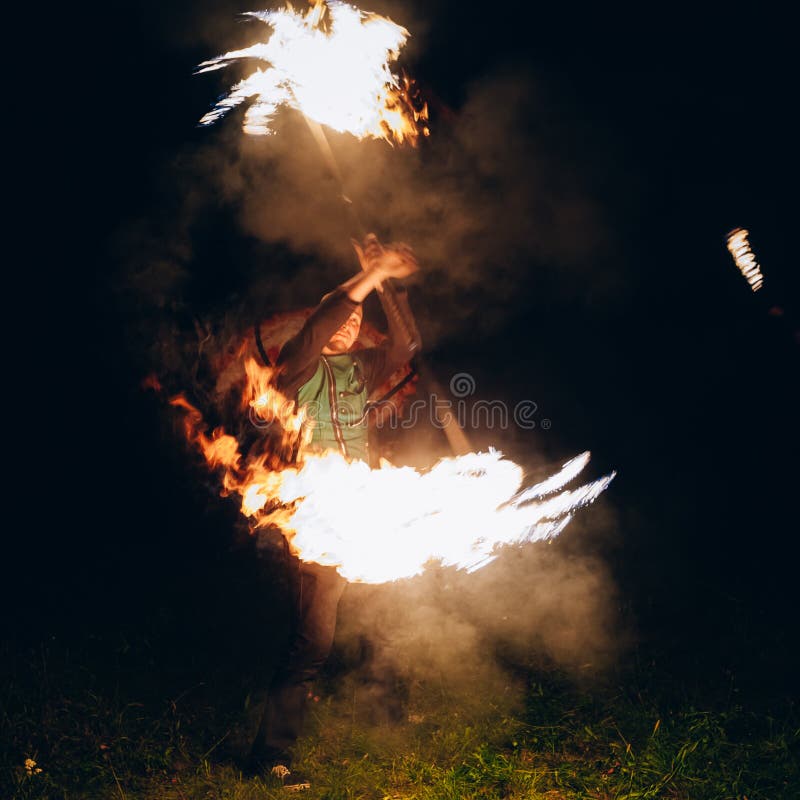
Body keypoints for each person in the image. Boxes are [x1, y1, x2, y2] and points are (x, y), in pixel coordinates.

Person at [246, 234, 421, 789]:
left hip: (364, 512)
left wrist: (387, 283)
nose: (348, 327)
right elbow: (324, 322)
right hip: (317, 519)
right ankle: (269, 754)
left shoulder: (360, 371)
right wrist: (364, 277)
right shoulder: (295, 368)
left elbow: (406, 344)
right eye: (342, 318)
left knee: (392, 612)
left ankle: (387, 711)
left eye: (356, 320)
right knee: (314, 640)